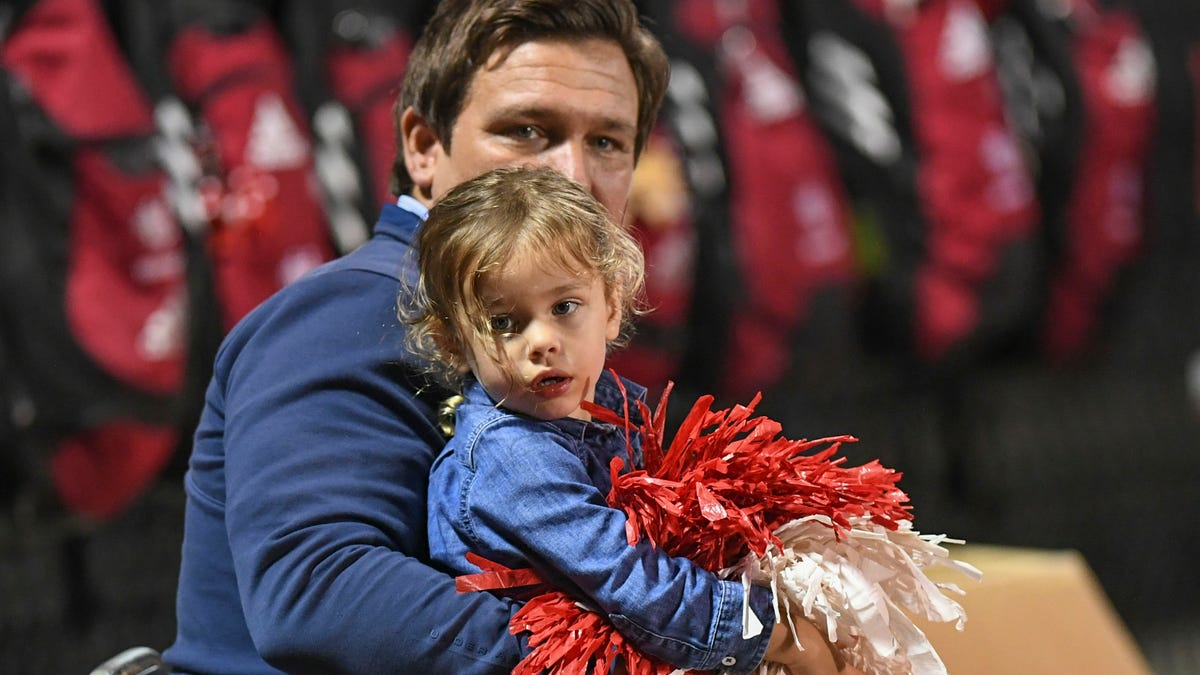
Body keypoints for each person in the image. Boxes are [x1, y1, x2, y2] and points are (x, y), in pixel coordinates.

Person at [164, 1, 858, 673]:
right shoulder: (354, 308)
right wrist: (656, 654)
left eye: (608, 142)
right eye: (527, 130)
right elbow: (317, 593)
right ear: (423, 147)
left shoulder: (546, 321)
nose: (573, 175)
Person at [407, 165, 849, 674]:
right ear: (451, 341)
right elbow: (627, 578)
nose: (542, 341)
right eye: (503, 322)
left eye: (565, 306)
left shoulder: (612, 402)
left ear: (612, 306)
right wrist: (780, 636)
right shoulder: (510, 455)